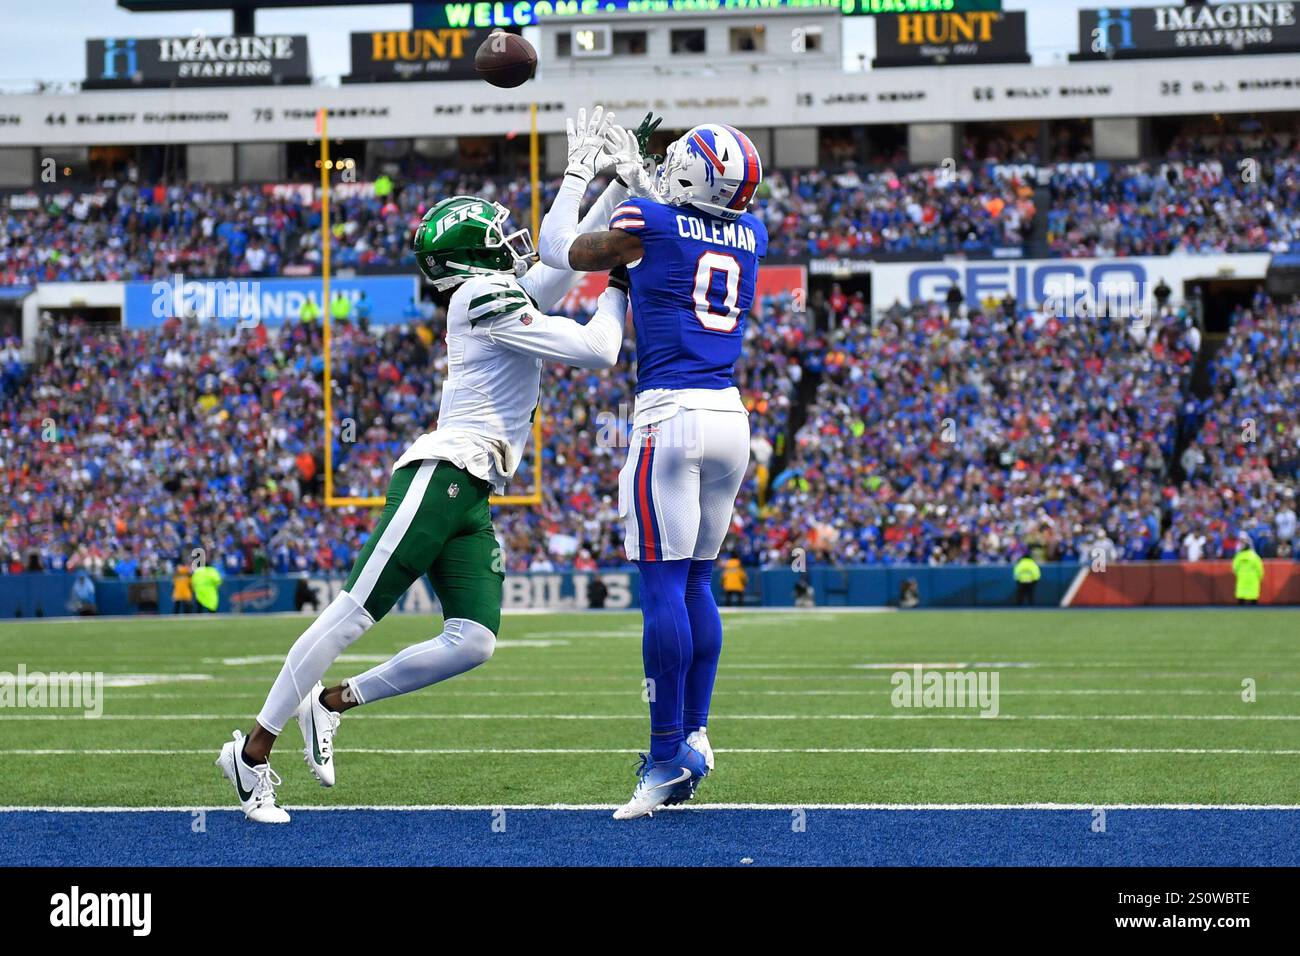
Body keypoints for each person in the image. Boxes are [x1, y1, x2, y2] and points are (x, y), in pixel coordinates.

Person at [215, 118, 634, 824]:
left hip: (474, 488)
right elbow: (599, 349)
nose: (515, 241)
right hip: (442, 474)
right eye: (499, 238)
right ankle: (251, 755)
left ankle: (335, 702)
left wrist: (608, 181)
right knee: (351, 615)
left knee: (472, 641)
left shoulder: (496, 292)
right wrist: (622, 273)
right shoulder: (478, 297)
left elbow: (562, 260)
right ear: (474, 258)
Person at [538, 108, 767, 818]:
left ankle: (666, 755)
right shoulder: (751, 233)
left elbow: (557, 250)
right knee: (698, 582)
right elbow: (682, 221)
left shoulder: (653, 223)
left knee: (662, 587)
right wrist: (642, 176)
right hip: (731, 417)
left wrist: (585, 168)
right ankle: (696, 731)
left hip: (669, 416)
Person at [1232, 534, 1264, 606]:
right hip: (1253, 579)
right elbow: (1259, 568)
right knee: (1253, 597)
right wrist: (1260, 577)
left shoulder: (1239, 556)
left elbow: (1234, 568)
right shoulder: (1254, 556)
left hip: (1242, 578)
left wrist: (1239, 574)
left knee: (1241, 596)